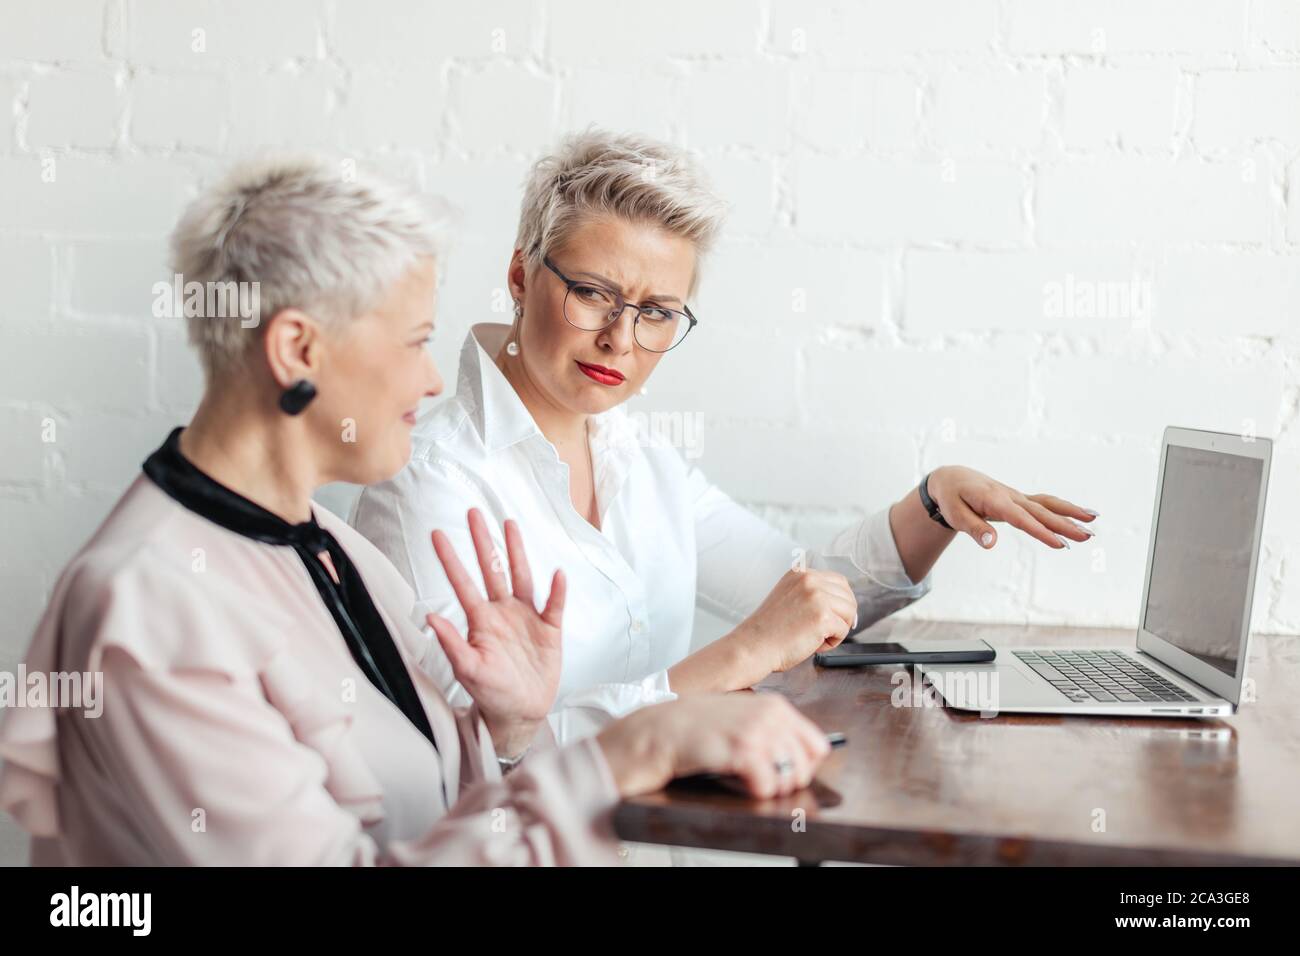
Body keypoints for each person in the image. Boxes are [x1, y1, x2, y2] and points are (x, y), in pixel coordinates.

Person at [0, 155, 831, 866]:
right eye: (412, 341)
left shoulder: (327, 547)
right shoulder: (152, 607)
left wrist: (511, 728)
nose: (433, 380)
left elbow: (446, 812)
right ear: (298, 349)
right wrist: (637, 747)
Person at [352, 129, 1100, 743]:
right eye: (592, 294)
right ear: (520, 277)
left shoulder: (634, 455)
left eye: (657, 311)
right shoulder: (429, 481)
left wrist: (934, 504)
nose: (620, 338)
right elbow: (464, 761)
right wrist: (739, 655)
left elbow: (803, 591)